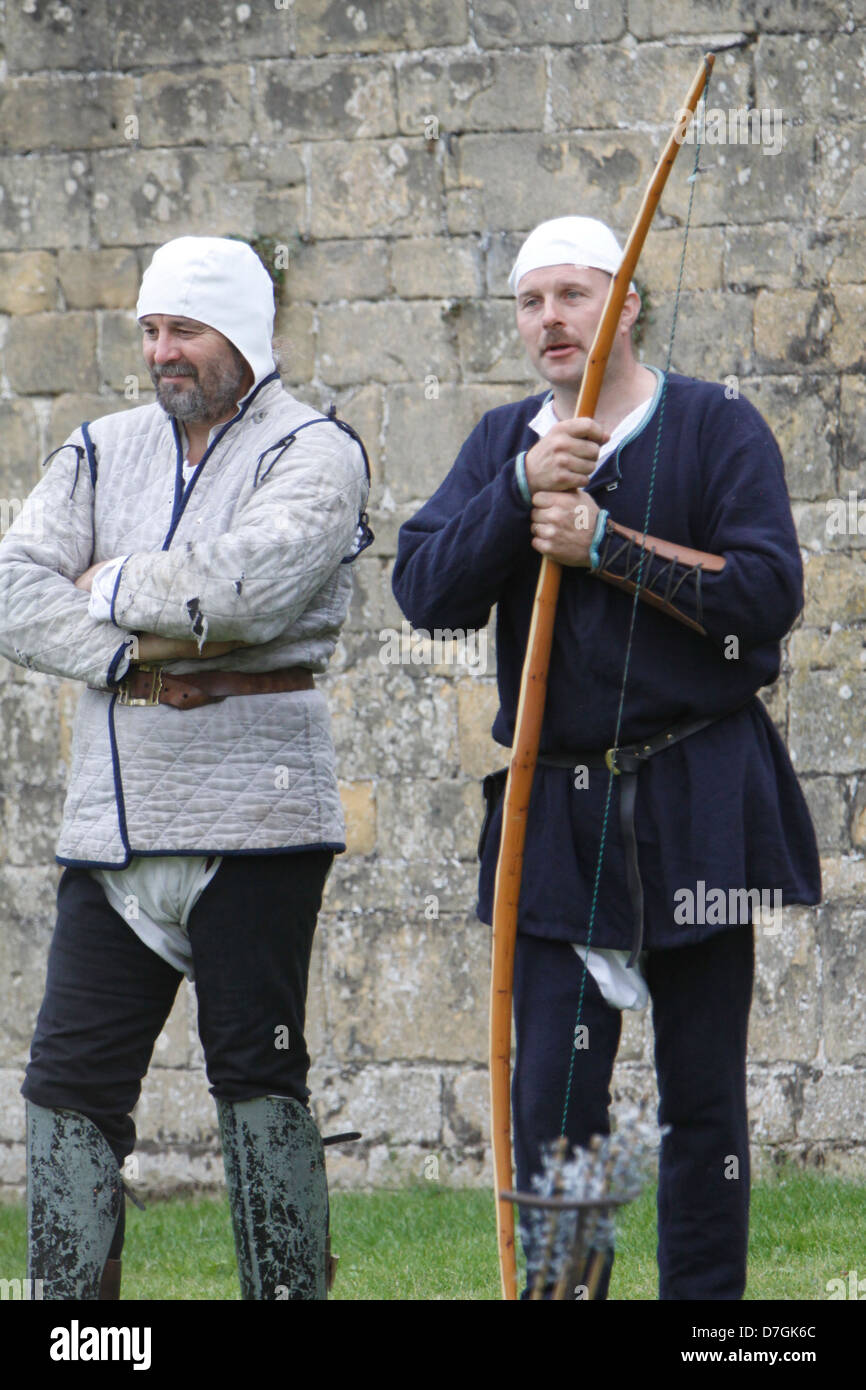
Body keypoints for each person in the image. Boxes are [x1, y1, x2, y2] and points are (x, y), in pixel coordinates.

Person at [392, 216, 820, 1299]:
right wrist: (521, 489)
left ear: (626, 300)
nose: (549, 319)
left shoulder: (716, 426)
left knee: (701, 1103)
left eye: (573, 295)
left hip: (700, 793)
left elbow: (763, 600)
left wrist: (604, 546)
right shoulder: (505, 441)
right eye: (531, 301)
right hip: (560, 814)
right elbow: (424, 591)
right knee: (555, 1105)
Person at [0, 235, 372, 1301]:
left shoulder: (314, 450)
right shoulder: (99, 447)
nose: (164, 352)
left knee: (256, 1081)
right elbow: (16, 590)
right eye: (152, 330)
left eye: (186, 330)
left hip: (256, 819)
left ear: (244, 337)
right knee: (66, 1090)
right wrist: (135, 652)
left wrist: (108, 583)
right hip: (111, 827)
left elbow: (246, 590)